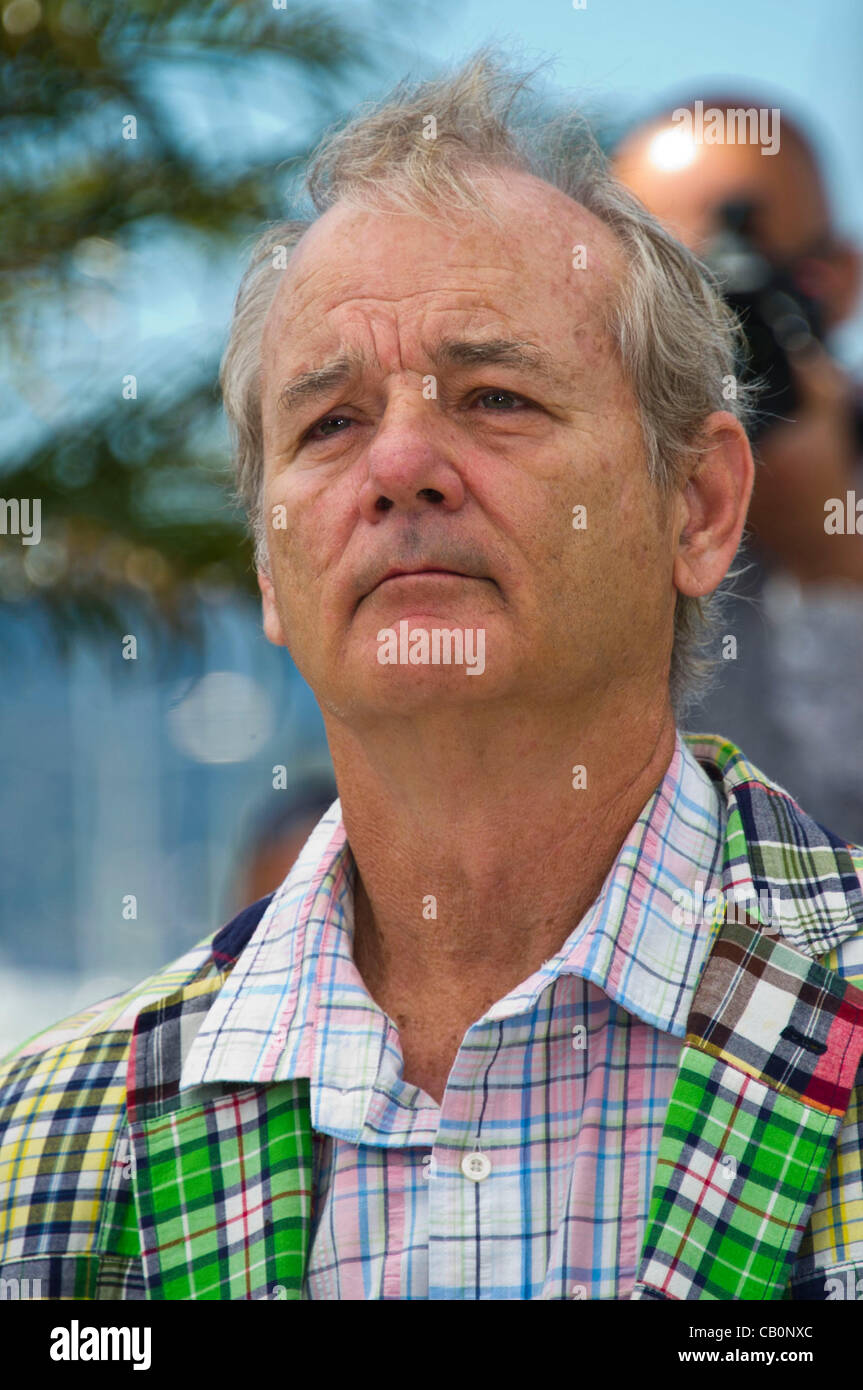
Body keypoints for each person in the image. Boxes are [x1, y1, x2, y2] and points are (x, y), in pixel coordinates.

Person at [2, 55, 863, 1303]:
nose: (400, 464)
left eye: (495, 395)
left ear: (700, 504)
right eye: (329, 423)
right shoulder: (45, 1149)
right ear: (266, 559)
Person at [613, 100, 863, 841]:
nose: (725, 339)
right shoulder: (567, 501)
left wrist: (828, 559)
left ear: (839, 280)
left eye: (758, 291)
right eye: (674, 291)